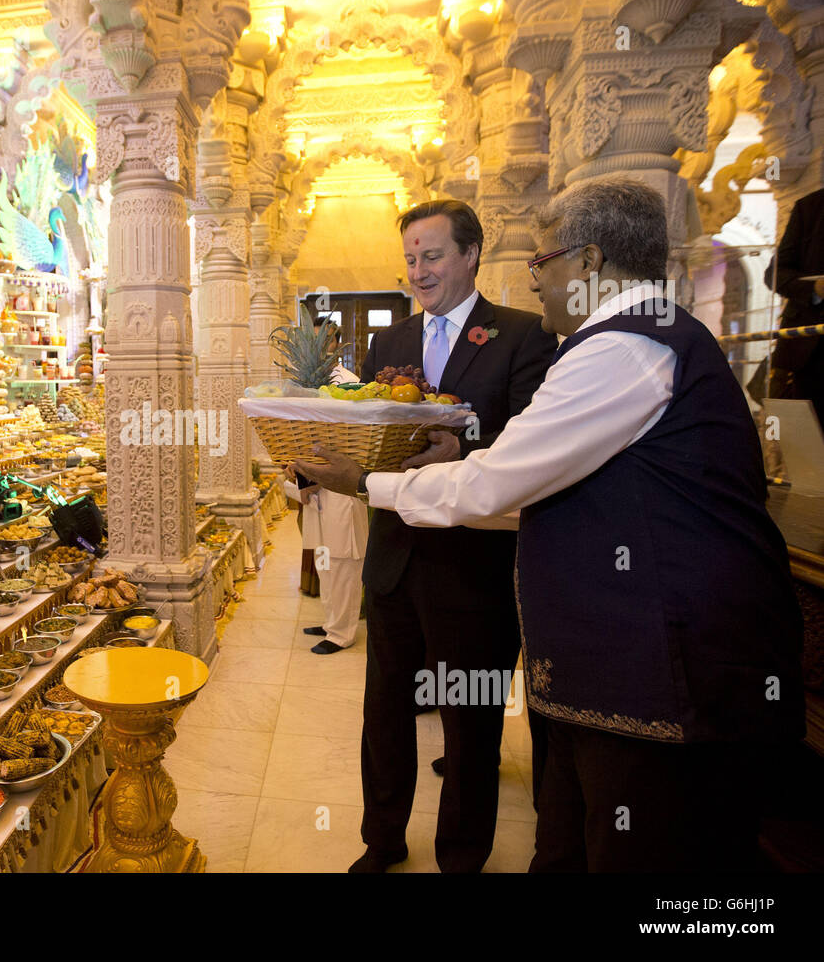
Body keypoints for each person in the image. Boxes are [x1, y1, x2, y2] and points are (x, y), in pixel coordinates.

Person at [294, 177, 805, 872]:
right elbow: (521, 478)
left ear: (589, 262)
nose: (537, 281)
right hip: (617, 664)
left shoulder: (622, 348)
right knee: (571, 830)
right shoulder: (641, 335)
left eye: (544, 261)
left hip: (664, 670)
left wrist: (364, 482)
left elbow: (497, 482)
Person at [349, 200, 557, 873]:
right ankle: (381, 839)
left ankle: (461, 857)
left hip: (473, 569)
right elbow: (375, 430)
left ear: (471, 254)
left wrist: (464, 444)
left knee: (470, 729)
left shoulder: (523, 336)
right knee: (385, 717)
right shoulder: (391, 342)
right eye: (410, 257)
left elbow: (533, 447)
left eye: (432, 255)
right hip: (393, 561)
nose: (419, 270)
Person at [283, 478, 367, 653]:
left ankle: (342, 634)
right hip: (317, 500)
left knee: (342, 571)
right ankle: (332, 624)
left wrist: (312, 478)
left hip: (341, 499)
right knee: (324, 568)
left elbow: (345, 466)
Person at [764, 187, 824, 420]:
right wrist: (815, 289)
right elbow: (775, 274)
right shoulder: (810, 208)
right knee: (806, 446)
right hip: (810, 356)